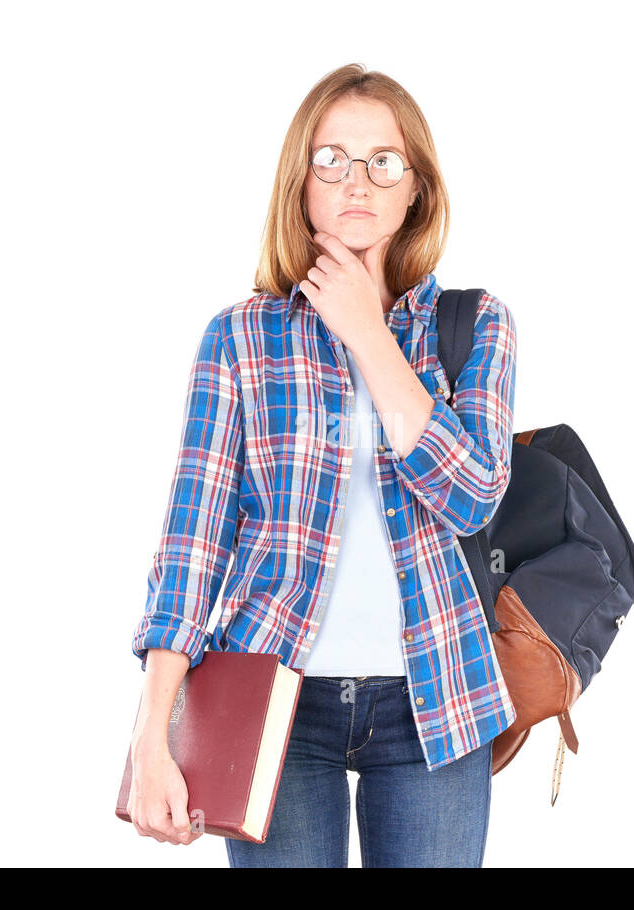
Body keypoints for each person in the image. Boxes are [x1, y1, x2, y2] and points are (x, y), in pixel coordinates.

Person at [126, 63, 518, 867]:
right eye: (331, 158)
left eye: (384, 161)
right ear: (300, 181)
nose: (357, 182)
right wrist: (152, 733)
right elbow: (192, 543)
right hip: (271, 699)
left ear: (417, 189)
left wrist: (368, 332)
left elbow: (473, 494)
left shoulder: (476, 325)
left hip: (434, 701)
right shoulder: (240, 337)